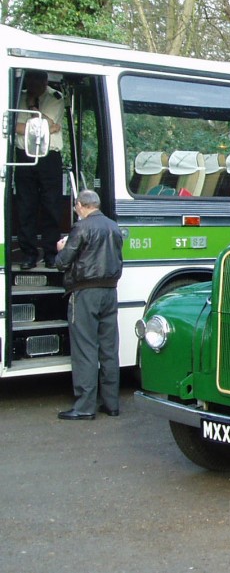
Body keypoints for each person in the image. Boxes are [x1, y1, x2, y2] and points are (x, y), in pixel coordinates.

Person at [54, 190, 123, 421]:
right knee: (109, 349)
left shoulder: (81, 228)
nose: (76, 209)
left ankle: (84, 407)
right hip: (110, 292)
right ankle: (111, 403)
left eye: (76, 206)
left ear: (81, 205)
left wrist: (61, 248)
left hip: (84, 293)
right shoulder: (114, 227)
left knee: (85, 349)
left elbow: (62, 263)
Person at [14, 70, 65, 269]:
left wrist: (33, 109)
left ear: (44, 81)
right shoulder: (18, 96)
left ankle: (51, 253)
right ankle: (29, 254)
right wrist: (44, 126)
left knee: (51, 206)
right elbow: (14, 126)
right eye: (31, 81)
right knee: (25, 205)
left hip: (48, 156)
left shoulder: (55, 97)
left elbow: (45, 124)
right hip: (24, 154)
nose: (34, 85)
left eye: (38, 81)